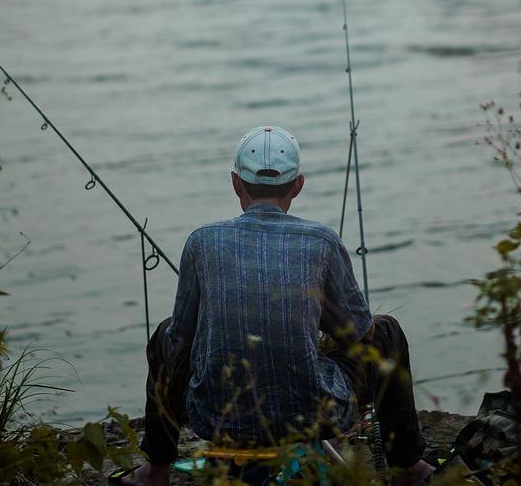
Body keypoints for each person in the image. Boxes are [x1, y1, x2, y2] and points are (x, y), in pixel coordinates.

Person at [111, 126, 435, 486]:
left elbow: (180, 340)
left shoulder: (202, 241)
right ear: (298, 185)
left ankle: (156, 470)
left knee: (164, 334)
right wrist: (318, 318)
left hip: (215, 416)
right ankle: (408, 467)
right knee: (387, 333)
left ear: (236, 183)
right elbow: (365, 334)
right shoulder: (322, 241)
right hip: (316, 415)